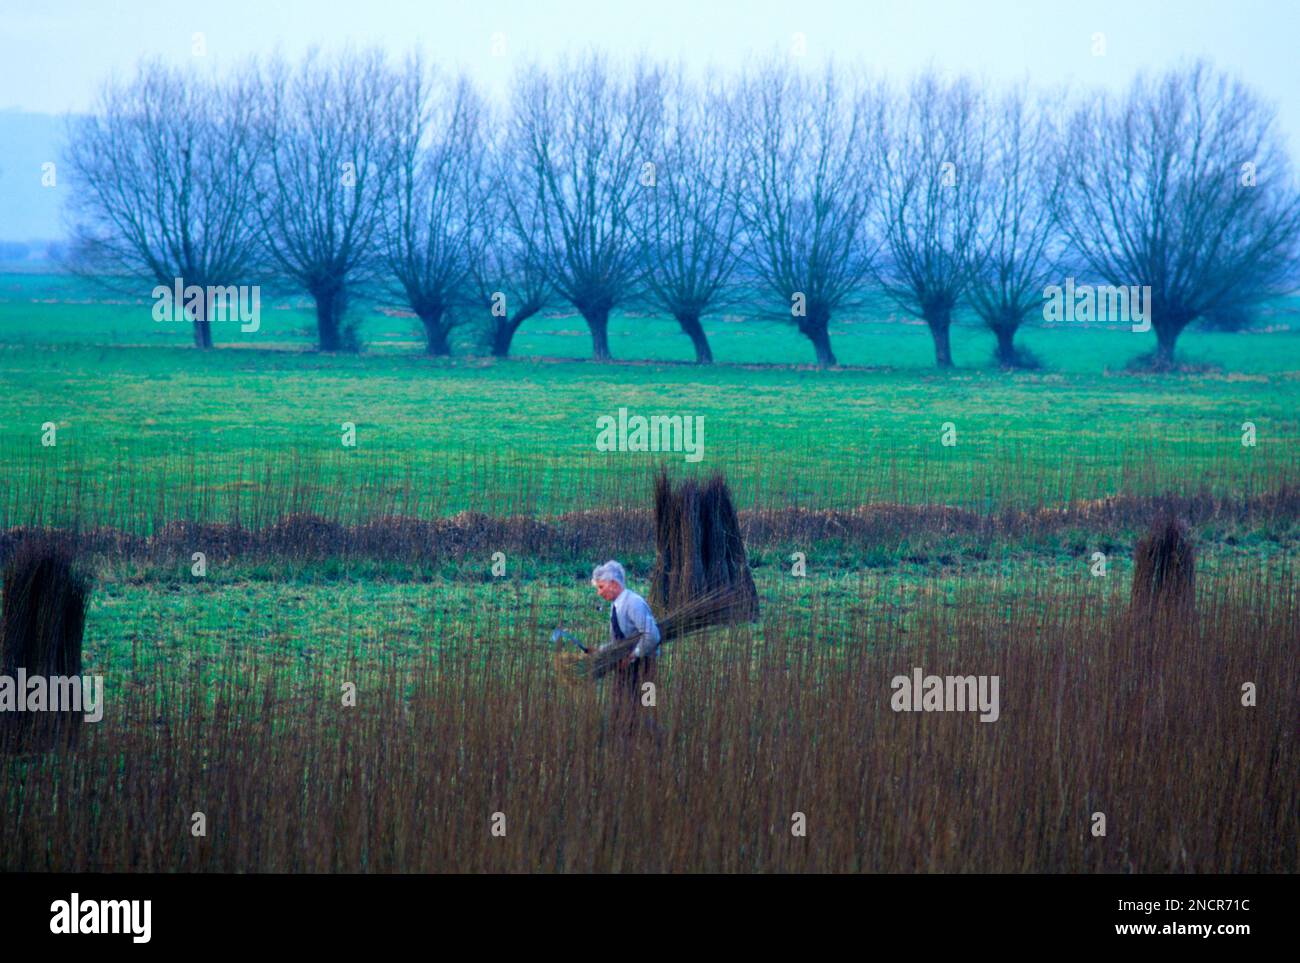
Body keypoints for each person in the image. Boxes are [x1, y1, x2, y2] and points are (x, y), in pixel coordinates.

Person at [591, 560, 661, 728]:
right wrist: (601, 651)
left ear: (614, 584)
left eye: (601, 587)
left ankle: (654, 740)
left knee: (647, 705)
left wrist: (633, 655)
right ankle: (625, 740)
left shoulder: (634, 603)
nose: (599, 593)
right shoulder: (616, 605)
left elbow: (652, 635)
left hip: (646, 665)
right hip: (626, 666)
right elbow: (620, 641)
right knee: (620, 707)